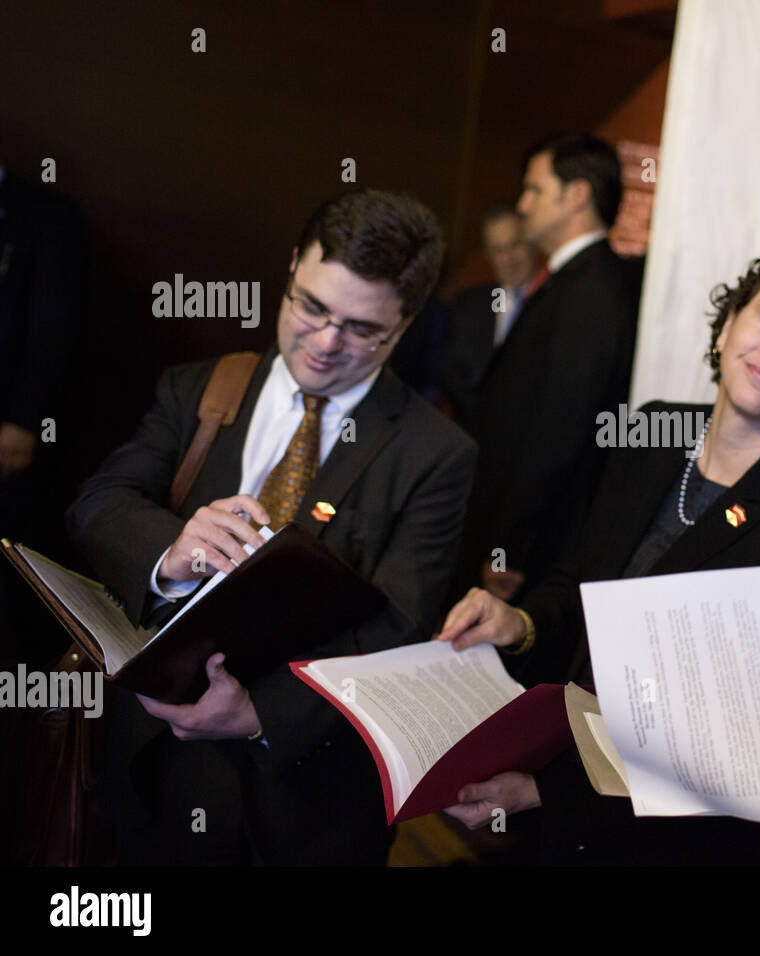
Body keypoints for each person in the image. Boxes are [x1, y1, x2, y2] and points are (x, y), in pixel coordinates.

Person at [437, 238, 760, 864]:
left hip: (670, 841)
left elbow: (742, 743)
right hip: (551, 791)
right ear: (730, 324)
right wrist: (522, 623)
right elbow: (576, 581)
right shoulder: (649, 431)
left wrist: (547, 793)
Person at [66, 189, 477, 865]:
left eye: (361, 328)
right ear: (292, 267)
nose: (324, 343)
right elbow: (99, 501)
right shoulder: (199, 389)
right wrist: (170, 549)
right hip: (159, 765)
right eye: (310, 306)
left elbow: (400, 626)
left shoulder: (436, 454)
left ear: (403, 326)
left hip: (310, 796)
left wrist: (263, 715)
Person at [457, 133, 638, 604]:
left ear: (576, 195)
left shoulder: (590, 291)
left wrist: (509, 551)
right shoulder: (574, 282)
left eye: (535, 189)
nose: (522, 204)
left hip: (530, 555)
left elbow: (556, 436)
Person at [439, 204, 539, 422]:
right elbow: (452, 370)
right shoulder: (467, 304)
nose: (508, 258)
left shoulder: (553, 301)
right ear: (488, 255)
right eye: (498, 250)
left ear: (532, 244)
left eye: (515, 245)